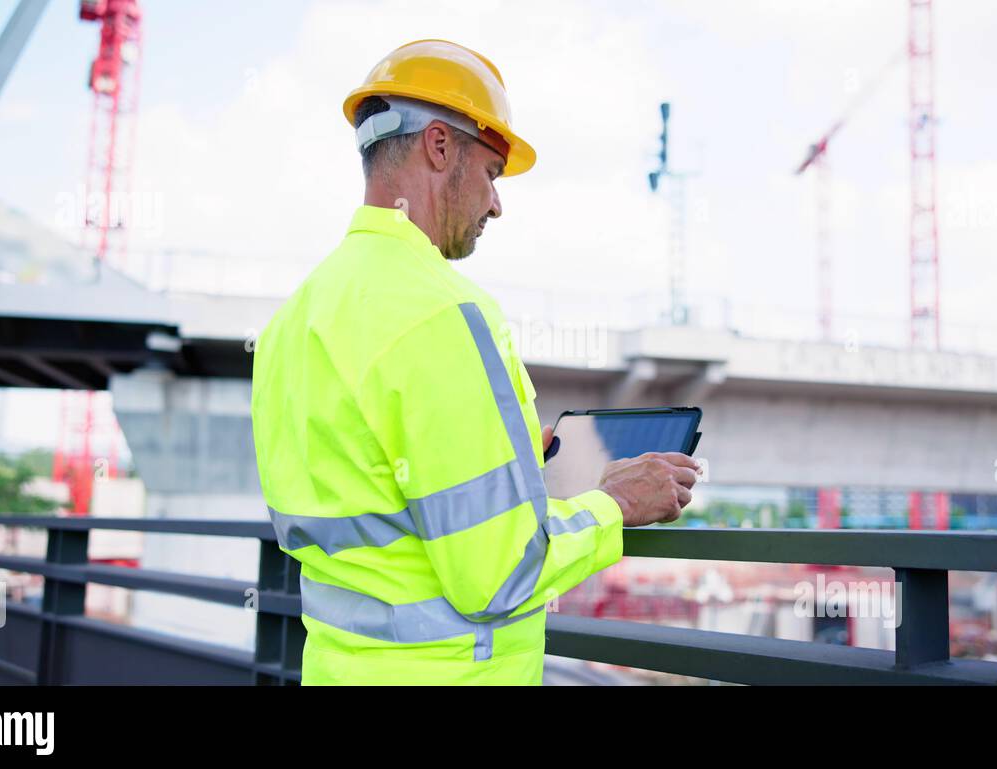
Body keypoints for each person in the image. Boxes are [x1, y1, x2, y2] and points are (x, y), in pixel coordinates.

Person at [250, 39, 700, 685]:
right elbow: (501, 569)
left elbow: (377, 496)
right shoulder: (443, 311)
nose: (496, 203)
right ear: (439, 146)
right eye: (491, 172)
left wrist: (503, 456)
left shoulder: (296, 317)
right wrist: (615, 502)